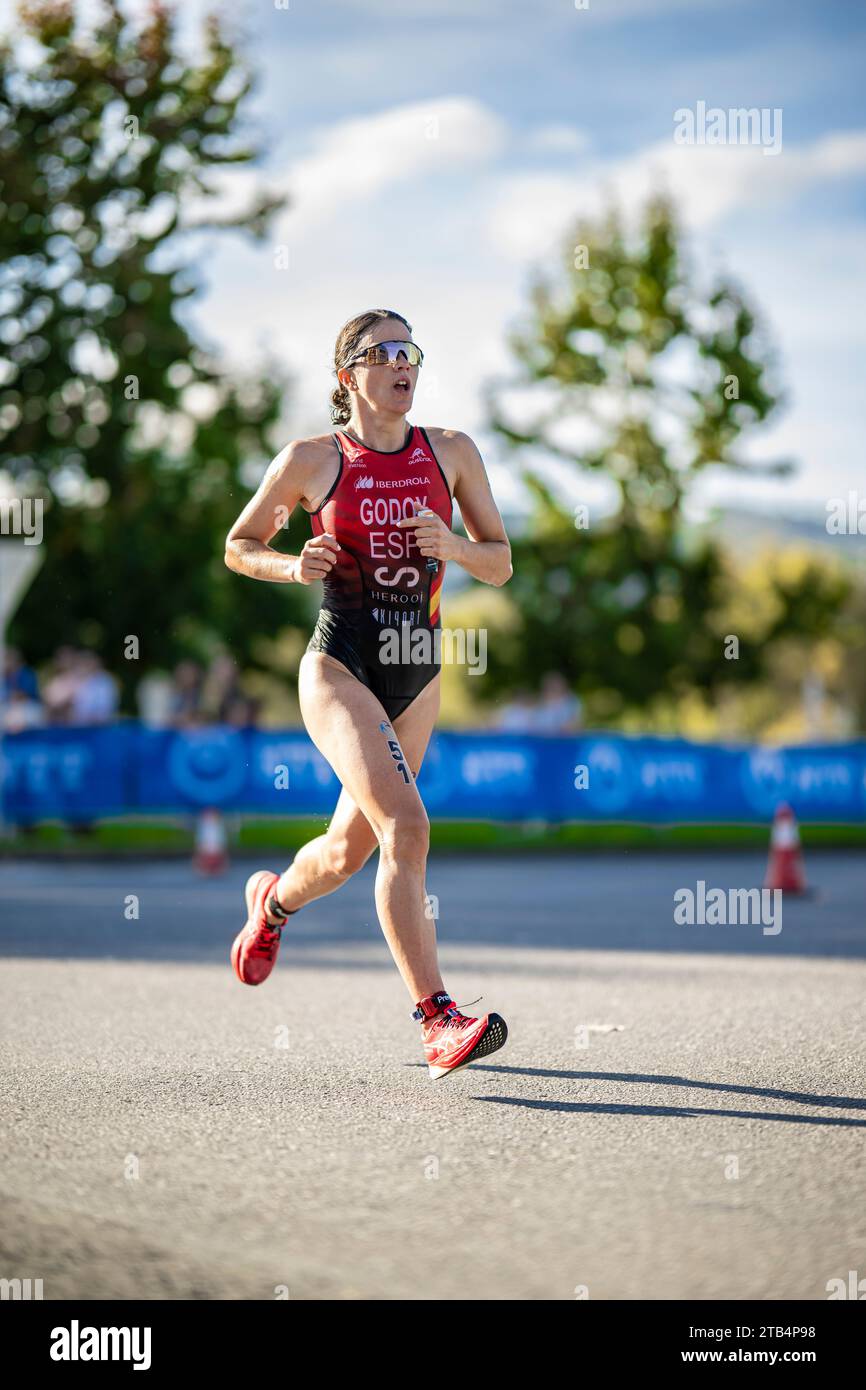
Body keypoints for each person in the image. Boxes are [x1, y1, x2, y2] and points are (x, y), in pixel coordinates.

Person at [225, 309, 512, 1079]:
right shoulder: (313, 460)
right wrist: (292, 564)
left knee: (351, 853)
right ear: (348, 375)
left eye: (409, 350)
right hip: (341, 667)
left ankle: (273, 902)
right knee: (408, 829)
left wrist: (453, 545)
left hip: (417, 668)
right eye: (382, 352)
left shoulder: (450, 452)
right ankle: (436, 1019)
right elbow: (239, 544)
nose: (402, 362)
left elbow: (500, 562)